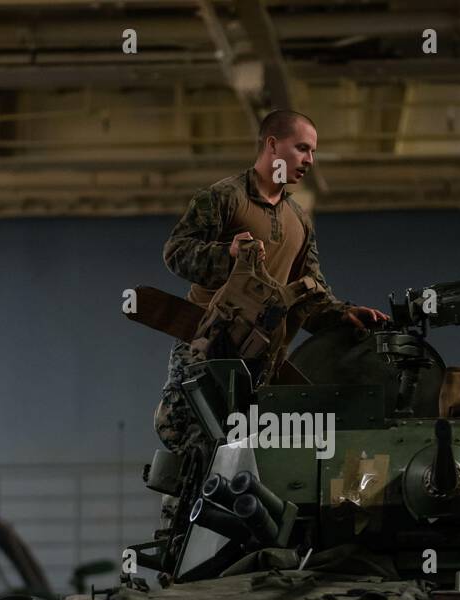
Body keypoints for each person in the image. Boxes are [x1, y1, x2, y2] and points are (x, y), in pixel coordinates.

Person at [154, 109, 388, 453]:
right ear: (273, 145)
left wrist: (343, 315)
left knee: (246, 456)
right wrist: (227, 255)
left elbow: (311, 291)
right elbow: (176, 252)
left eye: (313, 152)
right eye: (302, 148)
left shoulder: (299, 220)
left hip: (259, 360)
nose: (309, 160)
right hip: (207, 348)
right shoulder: (223, 198)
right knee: (191, 446)